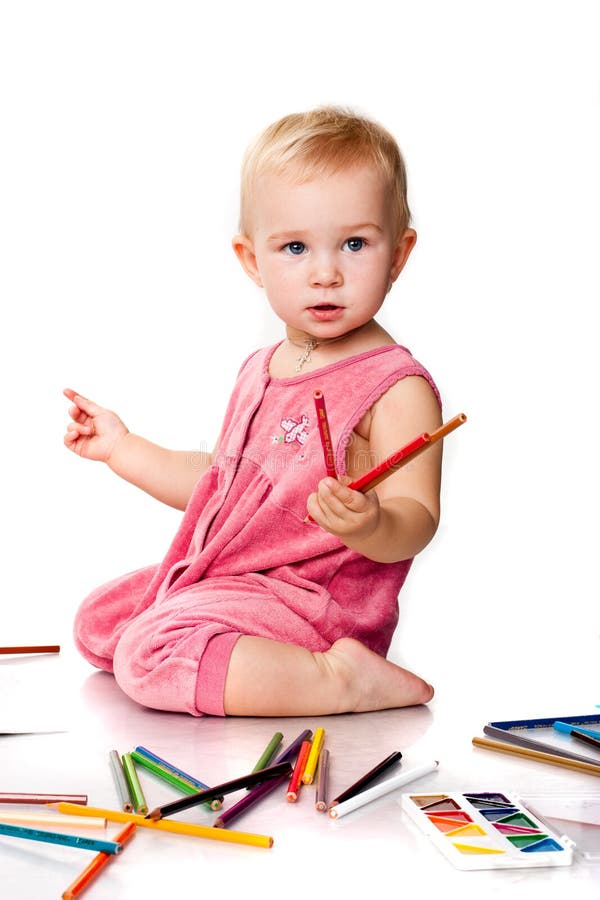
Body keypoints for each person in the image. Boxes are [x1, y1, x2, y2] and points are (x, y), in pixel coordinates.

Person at [64, 106, 443, 717]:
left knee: (145, 655)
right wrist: (121, 448)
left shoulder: (393, 386)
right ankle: (235, 653)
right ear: (251, 260)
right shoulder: (260, 368)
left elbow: (418, 517)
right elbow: (225, 488)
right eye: (295, 247)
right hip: (241, 582)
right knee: (99, 621)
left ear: (398, 256)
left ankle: (339, 677)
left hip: (315, 605)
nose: (325, 273)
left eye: (355, 243)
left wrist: (371, 523)